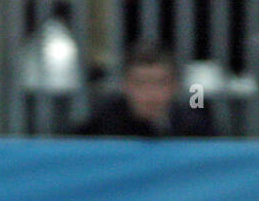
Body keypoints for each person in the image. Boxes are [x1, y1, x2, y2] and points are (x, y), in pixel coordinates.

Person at [73, 41, 216, 137]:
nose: (150, 93)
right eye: (140, 83)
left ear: (175, 86)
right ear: (125, 85)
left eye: (160, 83)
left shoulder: (193, 128)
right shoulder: (100, 127)